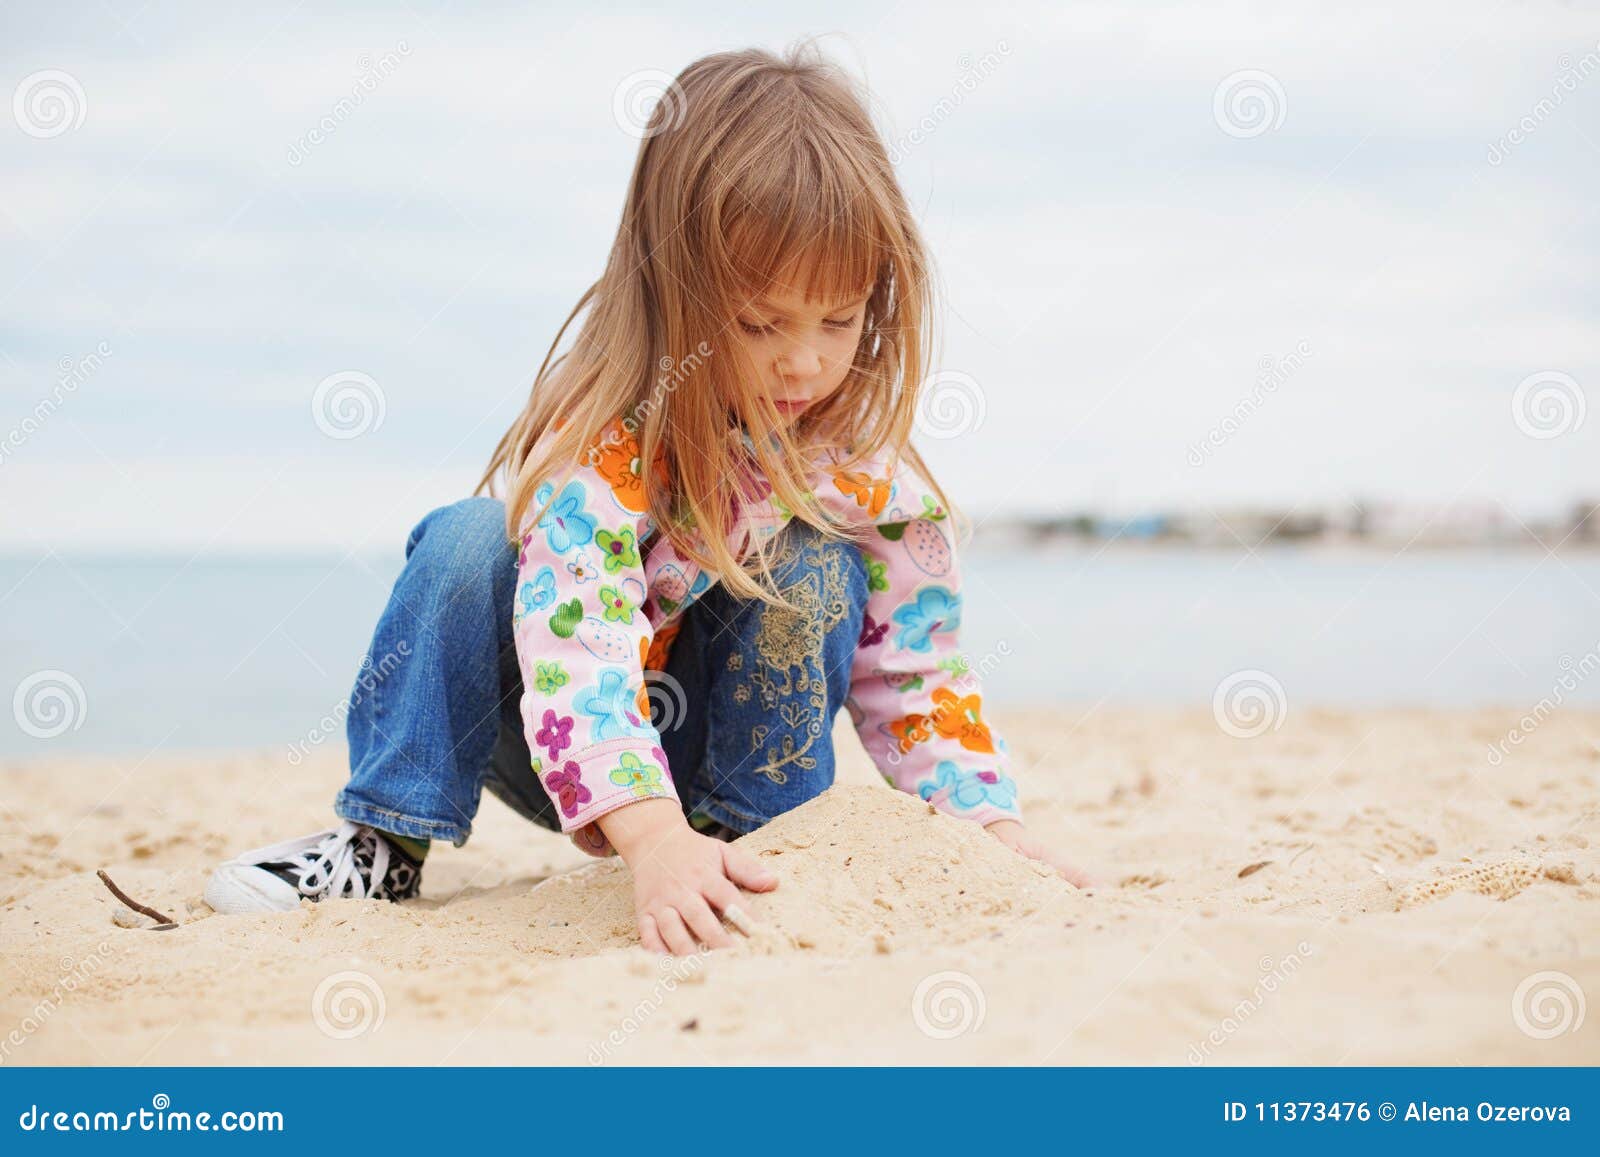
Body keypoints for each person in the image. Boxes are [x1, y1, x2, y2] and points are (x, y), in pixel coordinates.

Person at [205, 43, 1090, 956]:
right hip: (560, 721)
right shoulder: (612, 446)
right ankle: (384, 841)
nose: (806, 360)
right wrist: (649, 834)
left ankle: (754, 842)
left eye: (839, 319)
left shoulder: (860, 472)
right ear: (675, 292)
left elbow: (914, 672)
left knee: (814, 559)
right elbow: (577, 637)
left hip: (725, 753)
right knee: (469, 539)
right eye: (759, 322)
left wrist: (992, 828)